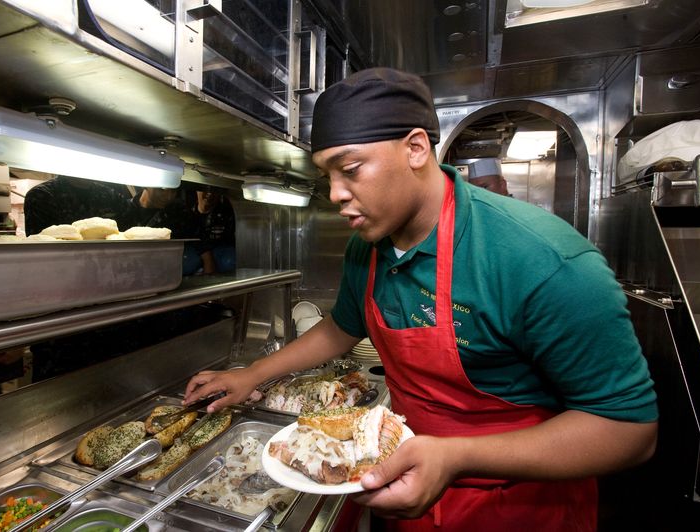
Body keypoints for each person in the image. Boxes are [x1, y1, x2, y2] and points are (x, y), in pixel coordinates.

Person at [183, 68, 658, 531]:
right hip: (408, 487)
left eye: (349, 170)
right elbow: (342, 327)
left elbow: (628, 431)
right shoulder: (367, 246)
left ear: (415, 148)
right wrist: (252, 375)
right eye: (326, 175)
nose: (334, 193)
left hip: (520, 506)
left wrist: (454, 456)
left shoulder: (542, 260)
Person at [23, 175, 142, 235]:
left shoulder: (111, 196)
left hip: (108, 266)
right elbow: (39, 245)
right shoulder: (42, 195)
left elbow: (130, 234)